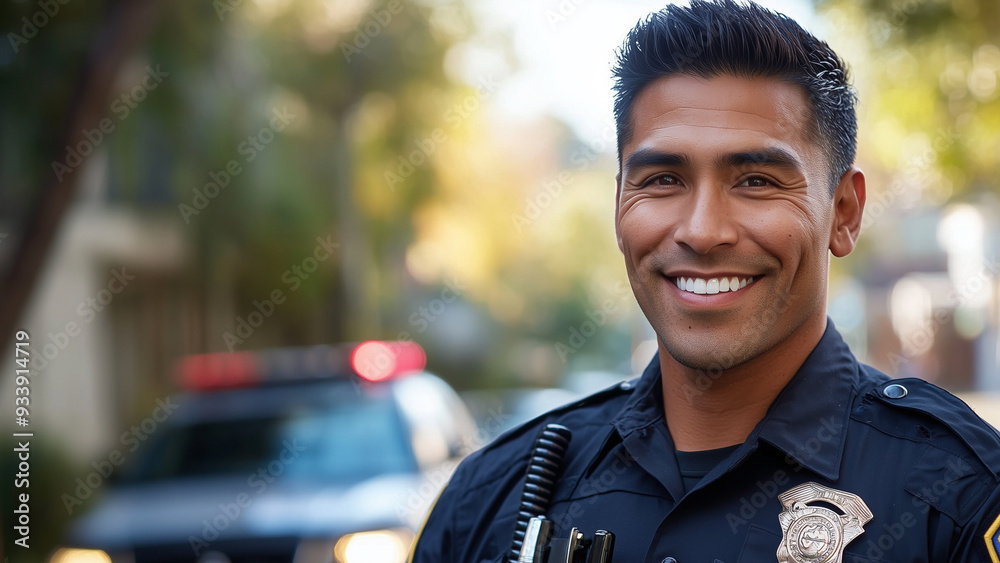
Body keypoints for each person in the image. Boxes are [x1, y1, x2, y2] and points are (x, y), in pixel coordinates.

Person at [409, 1, 1000, 561]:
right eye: (663, 180)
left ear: (843, 213)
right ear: (619, 207)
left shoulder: (961, 499)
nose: (702, 231)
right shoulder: (489, 501)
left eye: (757, 182)